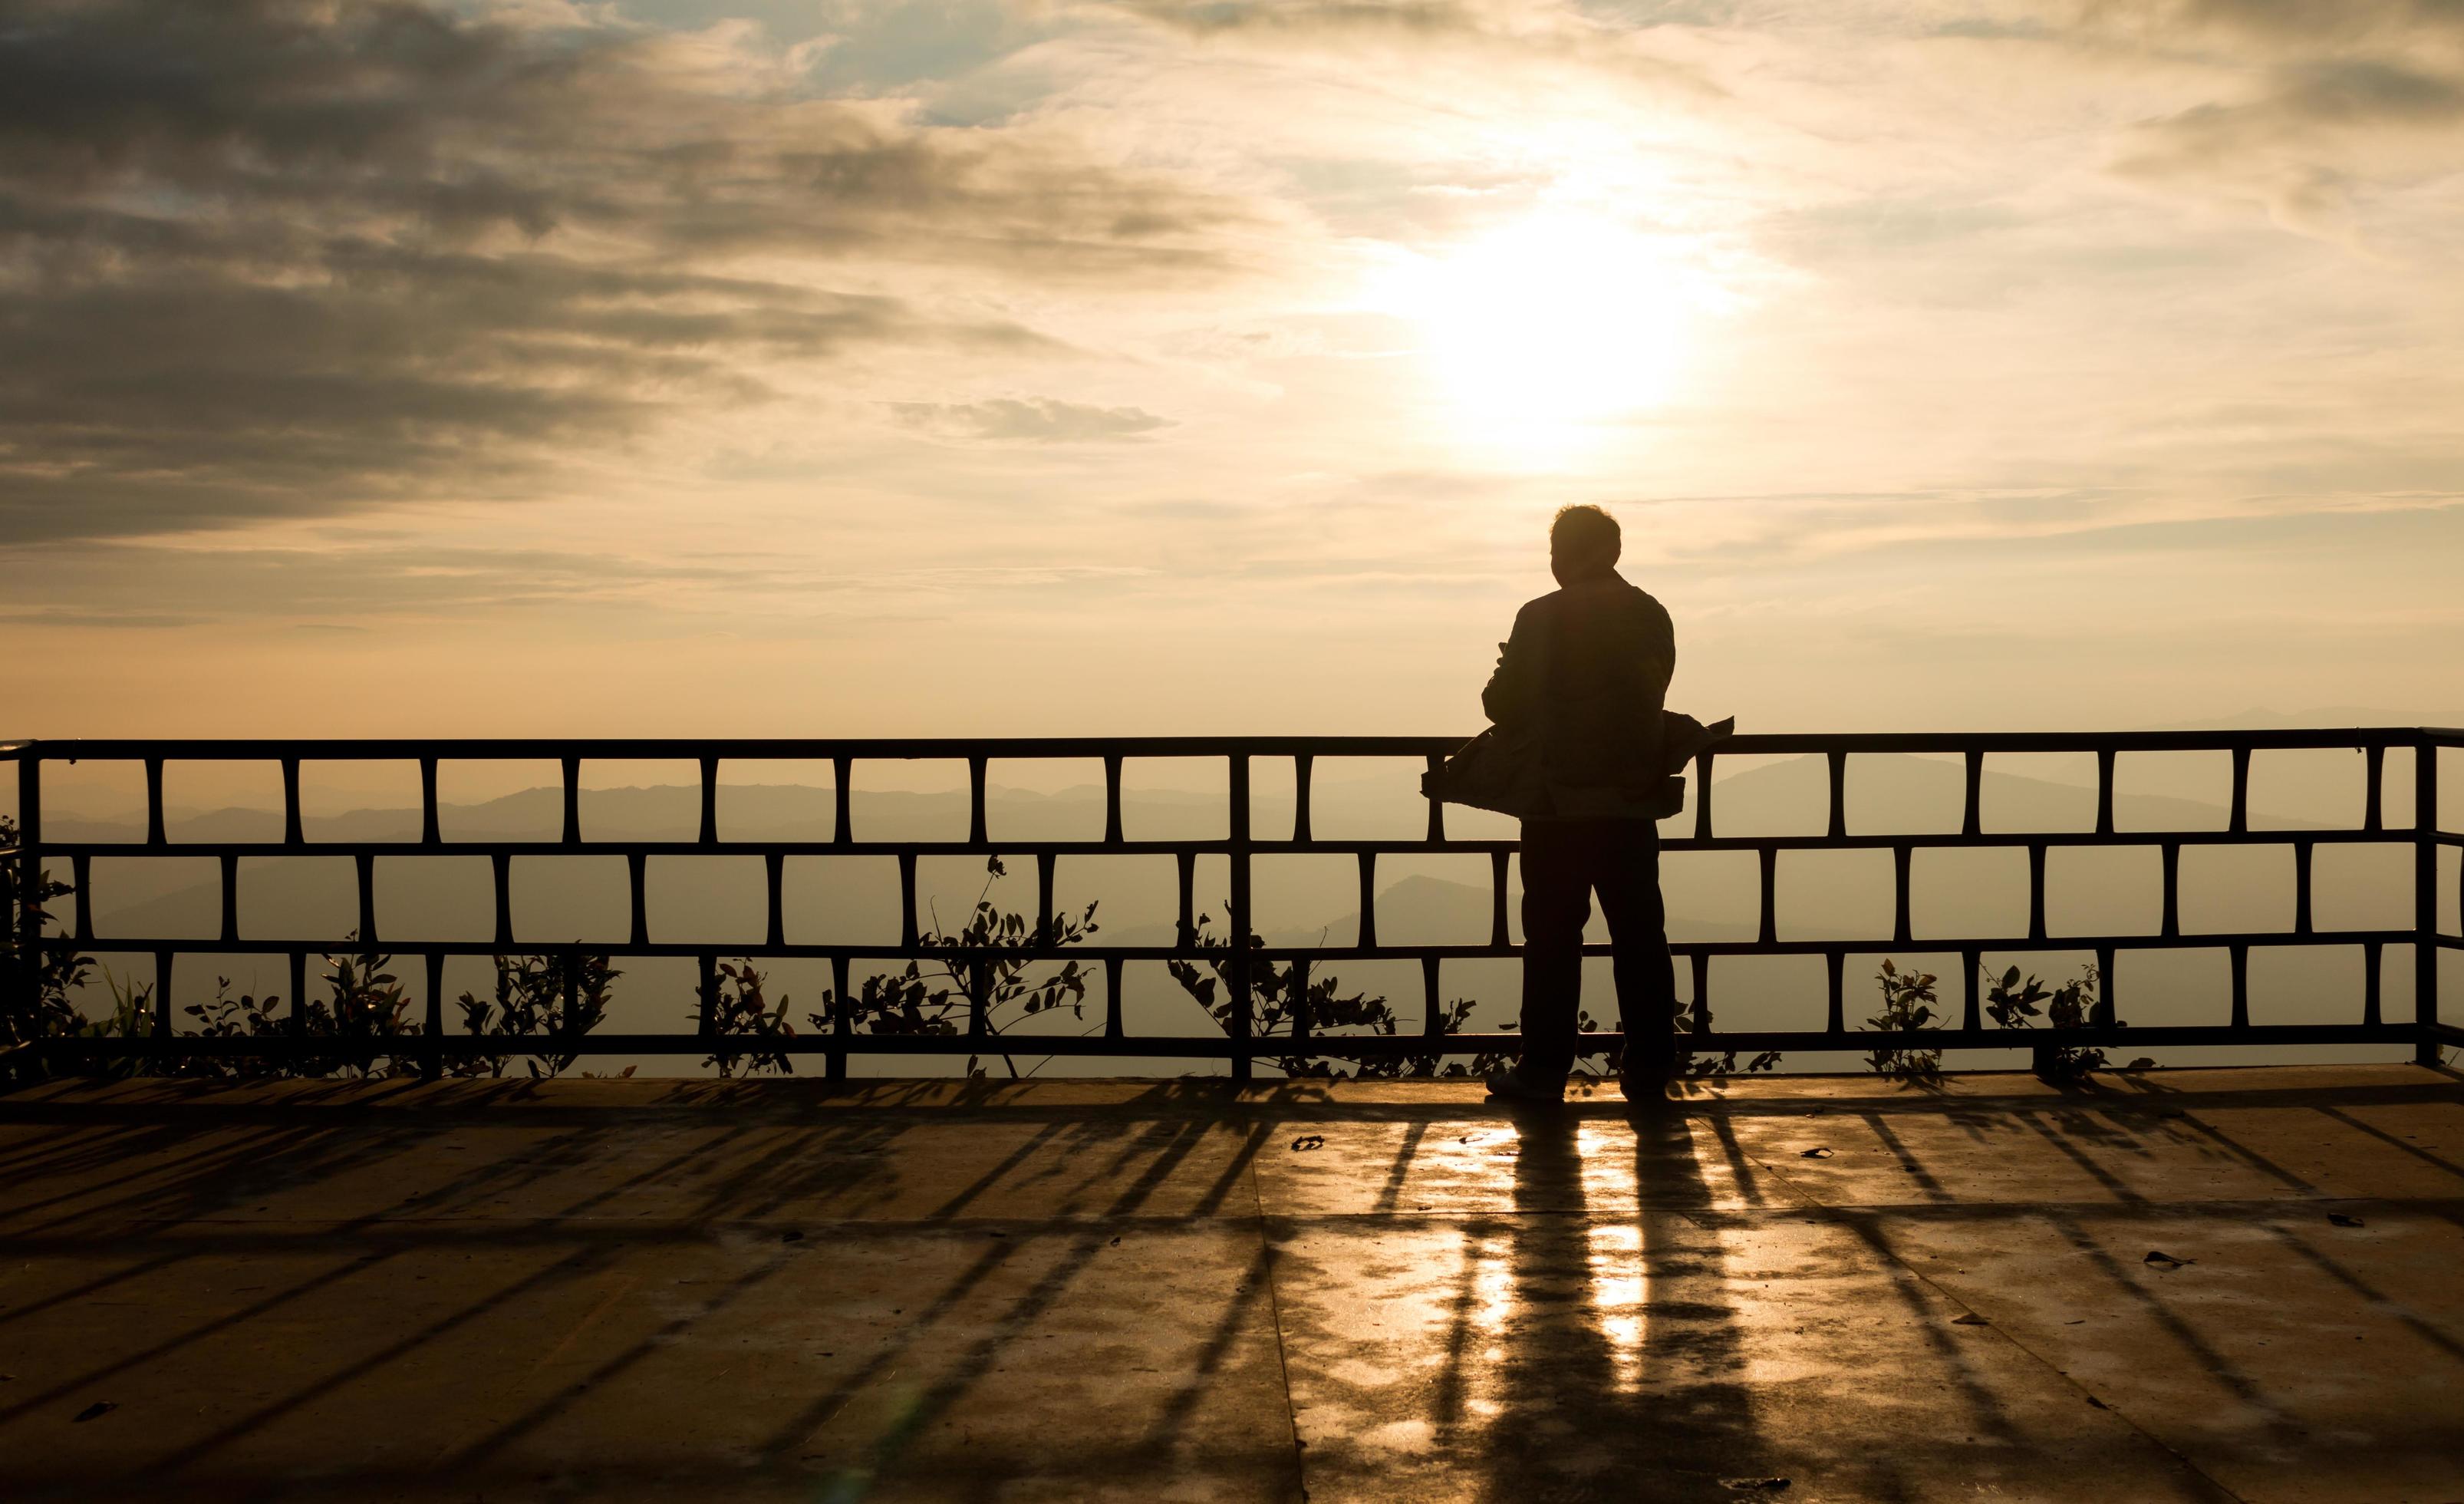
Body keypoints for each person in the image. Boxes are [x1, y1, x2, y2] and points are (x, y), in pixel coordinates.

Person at [1481, 503, 1678, 1107]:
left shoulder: (1541, 617)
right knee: (1640, 934)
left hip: (1557, 804)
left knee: (1552, 936)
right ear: (1614, 552)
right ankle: (1648, 1069)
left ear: (1564, 554)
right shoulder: (1650, 614)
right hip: (1630, 802)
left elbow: (1500, 703)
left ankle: (1543, 1070)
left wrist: (1504, 676)